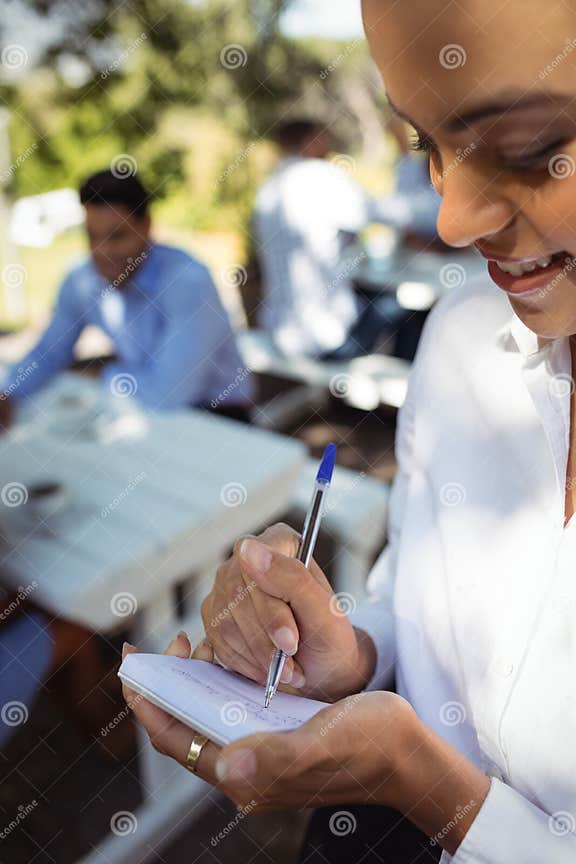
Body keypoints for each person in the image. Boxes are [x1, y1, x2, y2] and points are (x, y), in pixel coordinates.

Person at [124, 0, 576, 861]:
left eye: (527, 150)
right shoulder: (460, 343)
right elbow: (421, 599)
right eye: (425, 144)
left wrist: (426, 785)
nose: (451, 221)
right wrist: (349, 654)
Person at [0, 170, 252, 415]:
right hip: (145, 409)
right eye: (92, 236)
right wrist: (7, 393)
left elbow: (168, 395)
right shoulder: (82, 279)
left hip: (219, 416)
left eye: (116, 236)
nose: (102, 251)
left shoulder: (188, 281)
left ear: (147, 226)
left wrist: (100, 374)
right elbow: (48, 354)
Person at [253, 119, 441, 360]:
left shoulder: (268, 189)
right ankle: (408, 380)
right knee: (413, 309)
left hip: (281, 333)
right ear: (311, 141)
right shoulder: (320, 177)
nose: (329, 146)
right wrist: (444, 204)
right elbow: (394, 213)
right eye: (324, 139)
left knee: (381, 300)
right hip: (326, 340)